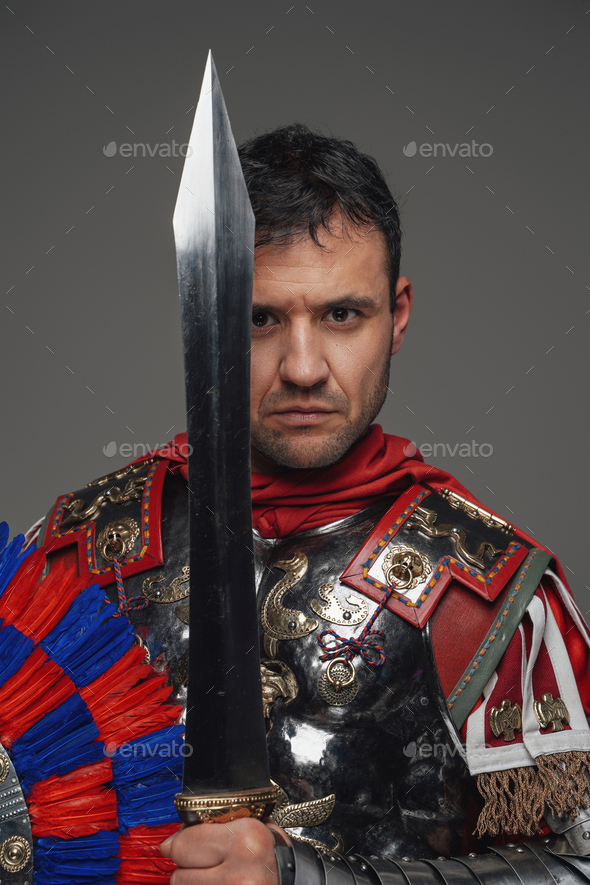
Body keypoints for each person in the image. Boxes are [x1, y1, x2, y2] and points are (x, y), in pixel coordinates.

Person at [7, 124, 590, 884]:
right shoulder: (80, 554)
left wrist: (307, 879)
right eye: (261, 318)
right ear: (204, 320)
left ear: (398, 315)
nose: (305, 367)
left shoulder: (487, 597)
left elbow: (577, 867)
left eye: (342, 314)